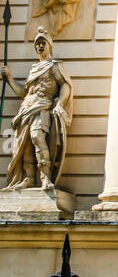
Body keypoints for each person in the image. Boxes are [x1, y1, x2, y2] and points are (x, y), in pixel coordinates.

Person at [2, 29, 73, 193]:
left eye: (43, 43)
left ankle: (45, 177)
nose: (40, 46)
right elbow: (24, 93)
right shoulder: (33, 69)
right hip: (26, 109)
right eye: (37, 44)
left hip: (42, 106)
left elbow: (65, 85)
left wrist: (60, 104)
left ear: (49, 45)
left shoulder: (54, 66)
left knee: (36, 137)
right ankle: (28, 177)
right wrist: (9, 78)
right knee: (25, 144)